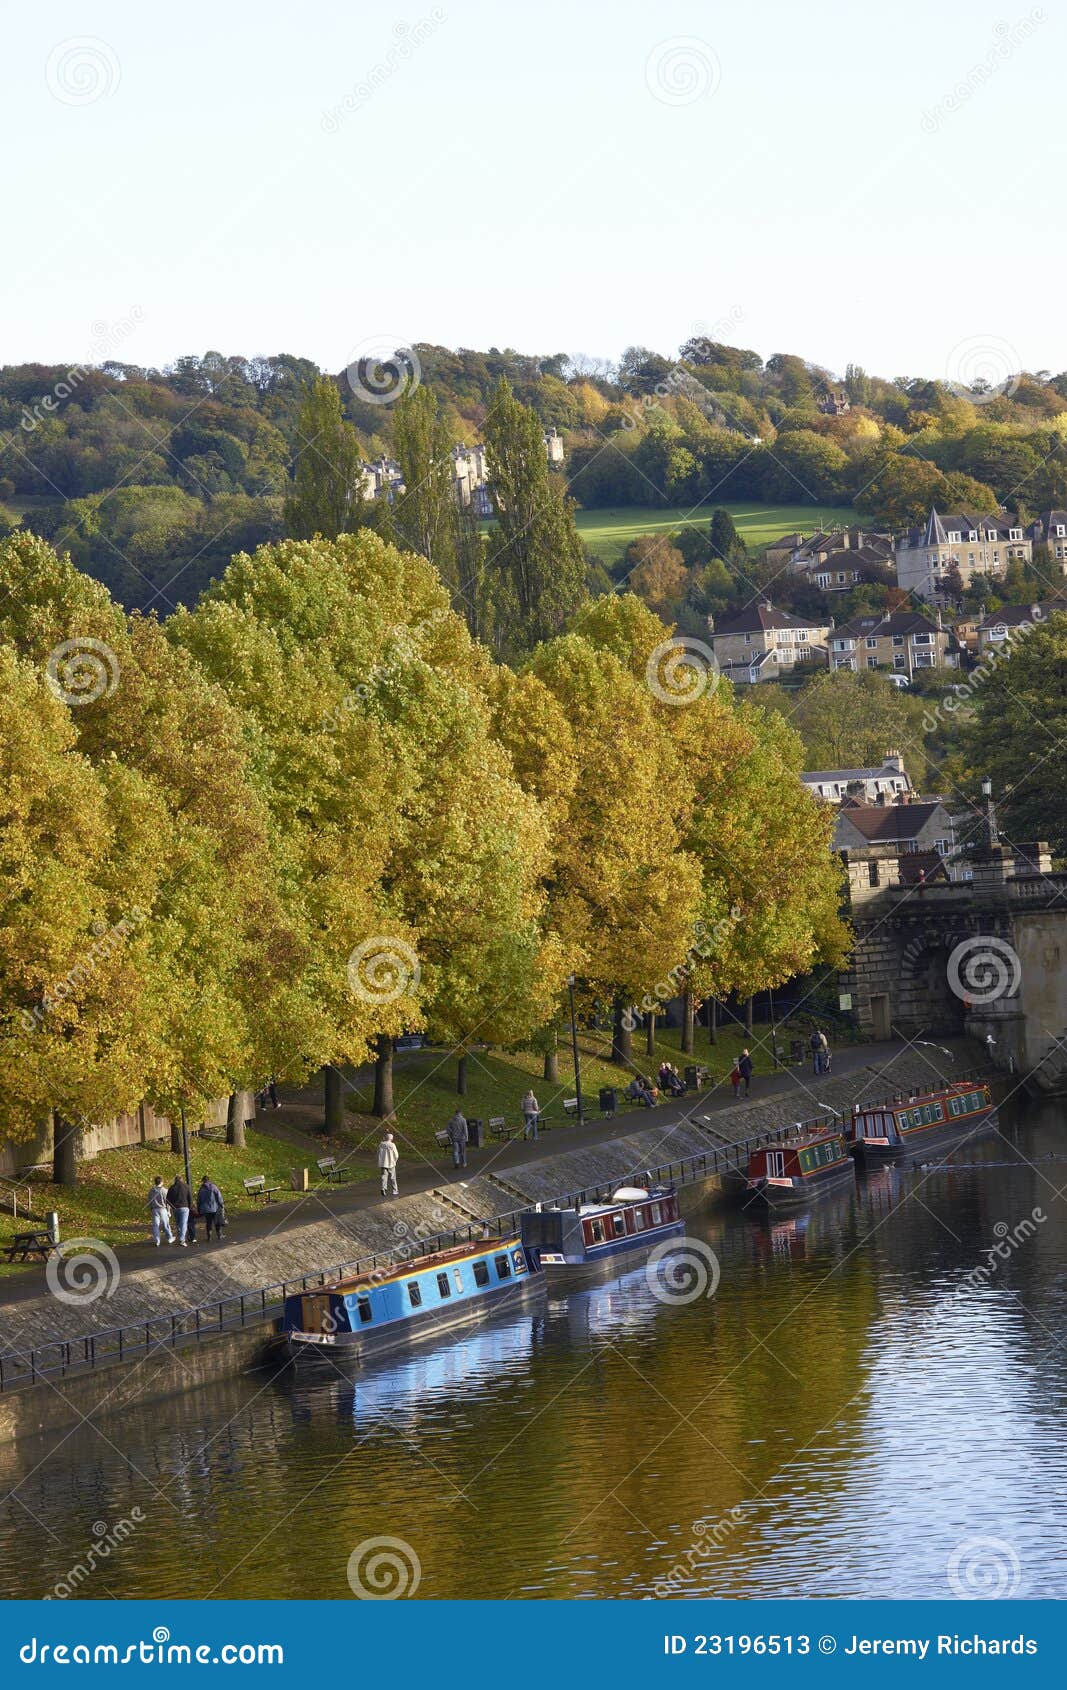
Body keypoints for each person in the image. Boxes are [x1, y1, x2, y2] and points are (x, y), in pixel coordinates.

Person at [148, 1175, 174, 1246]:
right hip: (162, 1209)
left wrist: (151, 1208)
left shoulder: (151, 1191)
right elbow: (168, 1201)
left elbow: (149, 1200)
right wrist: (168, 1211)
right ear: (161, 1182)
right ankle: (170, 1237)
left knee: (155, 1226)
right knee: (165, 1224)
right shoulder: (164, 1190)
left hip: (154, 1209)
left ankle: (157, 1240)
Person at [166, 1171, 192, 1246]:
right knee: (183, 1223)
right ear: (181, 1179)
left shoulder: (172, 1187)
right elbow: (190, 1198)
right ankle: (182, 1240)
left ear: (175, 1180)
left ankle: (181, 1236)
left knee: (178, 1224)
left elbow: (167, 1199)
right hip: (184, 1207)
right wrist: (190, 1206)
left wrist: (172, 1206)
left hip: (175, 1208)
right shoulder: (186, 1186)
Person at [197, 1173, 224, 1241]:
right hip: (214, 1208)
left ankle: (209, 1236)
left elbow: (199, 1200)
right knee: (217, 1222)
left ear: (203, 1181)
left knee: (208, 1222)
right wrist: (221, 1204)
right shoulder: (213, 1186)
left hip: (205, 1209)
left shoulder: (201, 1189)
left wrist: (199, 1208)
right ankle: (219, 1235)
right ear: (209, 1180)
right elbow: (218, 1196)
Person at [378, 1131, 399, 1197]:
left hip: (383, 1163)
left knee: (384, 1176)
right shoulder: (392, 1145)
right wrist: (394, 1161)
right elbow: (396, 1155)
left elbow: (378, 1153)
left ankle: (383, 1188)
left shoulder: (381, 1144)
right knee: (393, 1177)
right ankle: (395, 1190)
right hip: (391, 1163)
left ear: (386, 1138)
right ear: (391, 1138)